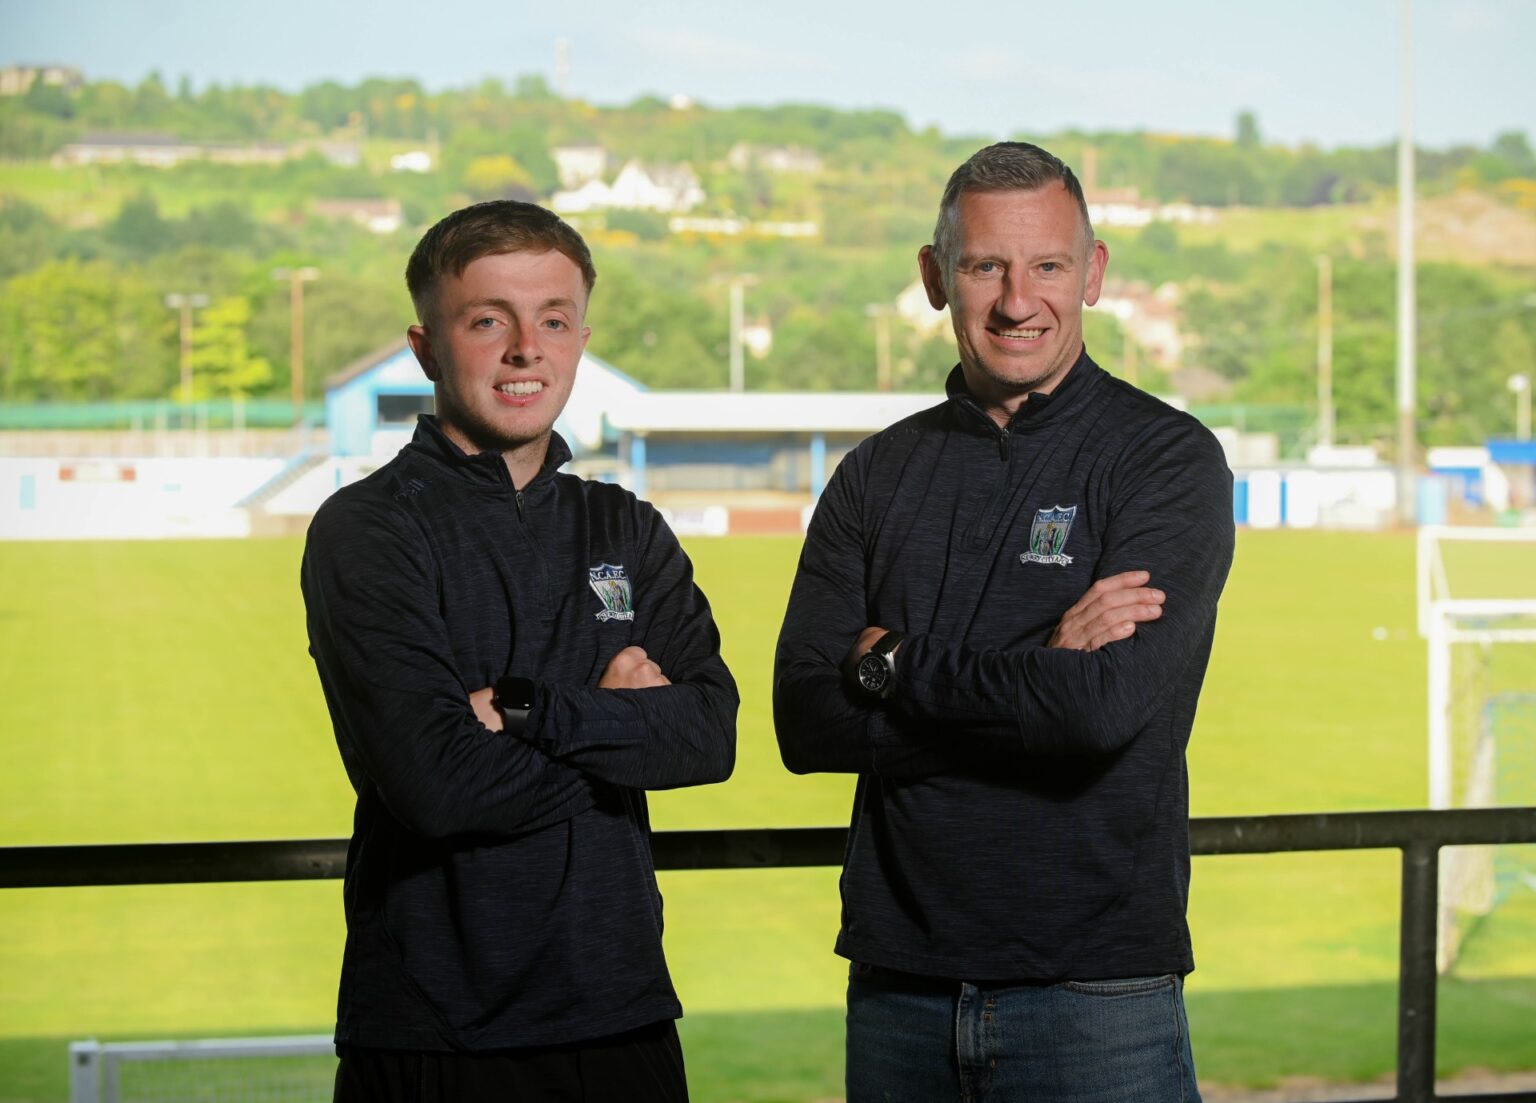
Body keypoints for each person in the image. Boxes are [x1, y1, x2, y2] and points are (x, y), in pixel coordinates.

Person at [773, 142, 1234, 1101]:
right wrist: (1036, 669)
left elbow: (1096, 711)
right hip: (900, 988)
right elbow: (806, 722)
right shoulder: (873, 476)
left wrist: (893, 664)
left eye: (1048, 266)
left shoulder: (1167, 461)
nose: (1018, 300)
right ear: (937, 278)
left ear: (1094, 274)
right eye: (986, 266)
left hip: (1099, 992)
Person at [302, 200, 737, 1103]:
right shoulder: (369, 530)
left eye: (551, 320)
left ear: (579, 337)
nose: (524, 349)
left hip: (622, 1020)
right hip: (433, 1034)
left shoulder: (627, 525)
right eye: (488, 319)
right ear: (425, 347)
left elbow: (707, 737)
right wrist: (619, 721)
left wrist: (527, 711)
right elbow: (438, 784)